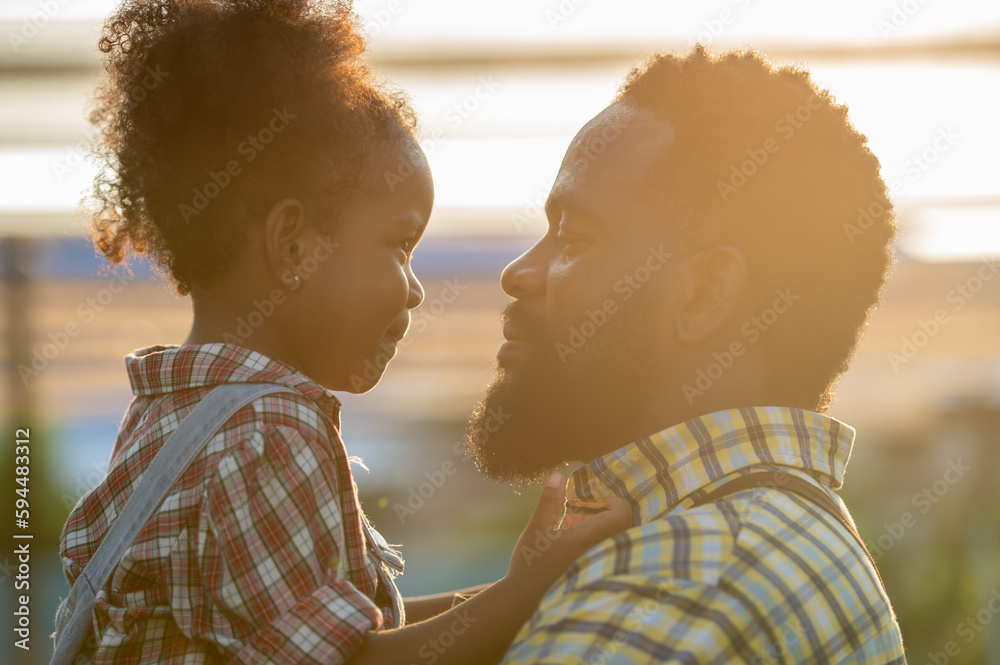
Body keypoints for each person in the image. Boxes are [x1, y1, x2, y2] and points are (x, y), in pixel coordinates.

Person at [57, 1, 630, 664]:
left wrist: (521, 585)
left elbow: (344, 632)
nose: (415, 287)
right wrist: (526, 594)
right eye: (400, 244)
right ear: (294, 244)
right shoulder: (270, 431)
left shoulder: (169, 415)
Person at [467, 46, 908, 663]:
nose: (519, 273)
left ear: (703, 295)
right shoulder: (783, 534)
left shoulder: (666, 599)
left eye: (576, 236)